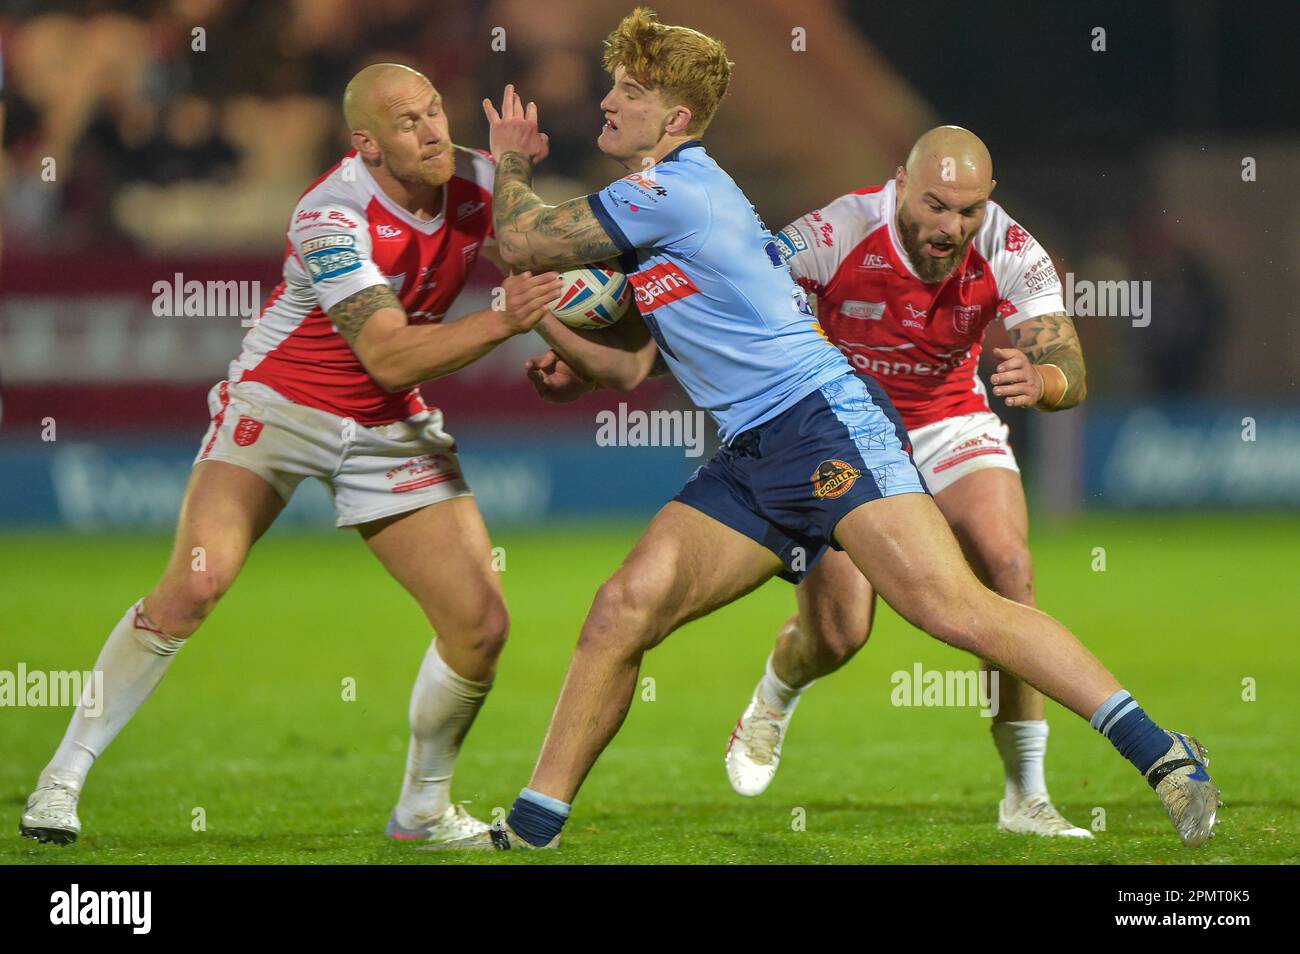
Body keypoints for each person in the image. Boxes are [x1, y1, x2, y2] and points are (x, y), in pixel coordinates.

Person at [481, 7, 1217, 852]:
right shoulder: (674, 215)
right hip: (754, 452)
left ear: (675, 121)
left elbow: (519, 236)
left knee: (960, 604)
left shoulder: (669, 191)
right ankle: (535, 827)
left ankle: (1163, 755)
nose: (608, 102)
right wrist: (553, 336)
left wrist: (510, 159)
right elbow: (625, 363)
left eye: (630, 91)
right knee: (625, 609)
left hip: (826, 424)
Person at [19, 63, 562, 848]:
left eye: (437, 110)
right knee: (195, 586)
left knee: (479, 624)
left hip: (386, 426)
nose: (434, 129)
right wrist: (504, 322)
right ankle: (59, 782)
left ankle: (422, 813)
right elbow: (387, 354)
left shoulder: (481, 180)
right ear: (367, 144)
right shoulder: (330, 214)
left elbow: (543, 265)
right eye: (409, 122)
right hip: (282, 406)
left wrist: (565, 343)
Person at [715, 126, 1093, 837]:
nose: (952, 226)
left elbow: (1070, 368)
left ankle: (1026, 797)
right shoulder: (836, 230)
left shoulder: (1011, 249)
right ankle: (774, 695)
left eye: (969, 210)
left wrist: (1042, 378)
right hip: (845, 432)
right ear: (899, 185)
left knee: (1010, 570)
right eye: (936, 206)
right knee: (839, 635)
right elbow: (739, 304)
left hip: (949, 422)